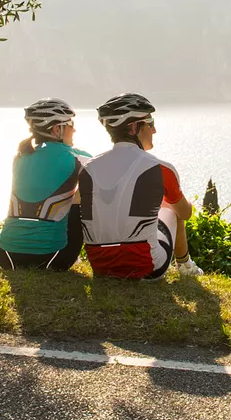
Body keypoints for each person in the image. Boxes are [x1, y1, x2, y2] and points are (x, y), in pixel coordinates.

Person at [80, 93, 203, 280]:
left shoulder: (89, 168)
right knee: (171, 208)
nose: (154, 130)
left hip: (100, 266)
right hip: (147, 268)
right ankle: (186, 266)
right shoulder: (161, 168)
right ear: (133, 128)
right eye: (150, 123)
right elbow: (185, 213)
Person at [0, 98, 91, 271]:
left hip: (5, 255)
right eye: (71, 123)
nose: (74, 129)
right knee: (84, 194)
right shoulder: (78, 157)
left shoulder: (19, 157)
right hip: (53, 258)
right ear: (57, 129)